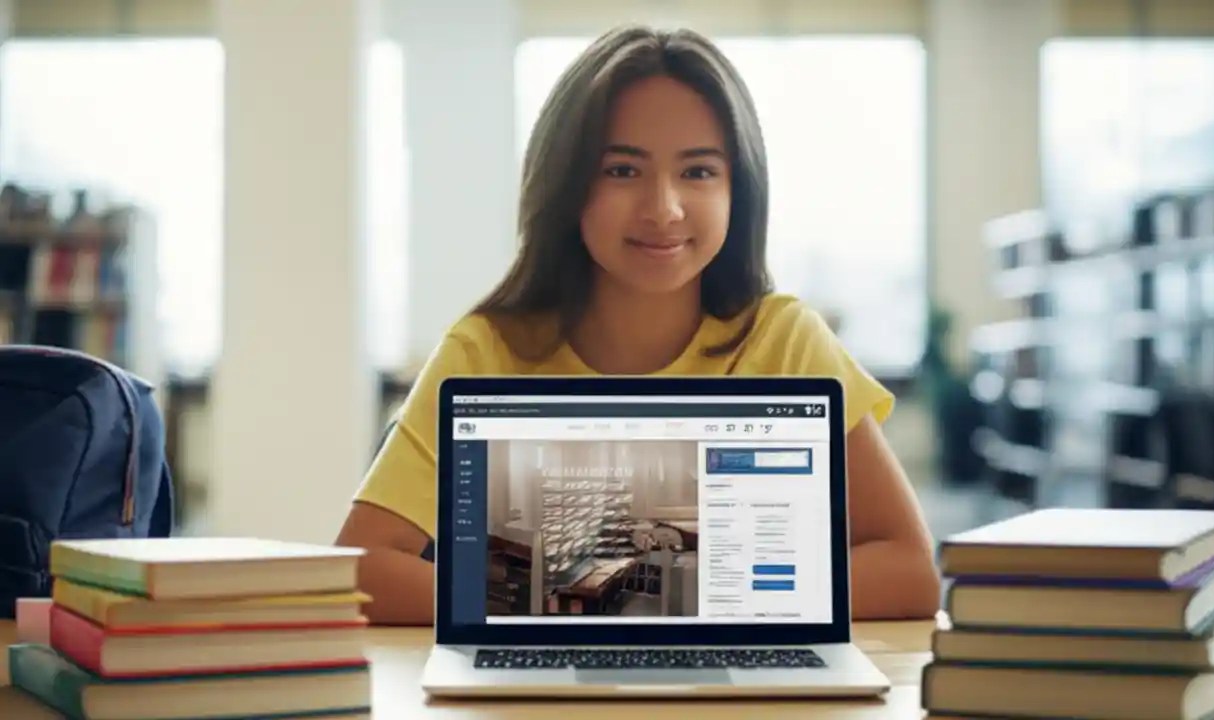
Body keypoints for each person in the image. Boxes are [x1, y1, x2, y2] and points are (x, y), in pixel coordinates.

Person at [336, 24, 941, 625]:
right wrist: (582, 605)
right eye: (623, 171)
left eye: (699, 172)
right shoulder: (487, 350)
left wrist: (658, 601)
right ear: (568, 186)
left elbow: (909, 571)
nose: (664, 209)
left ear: (741, 190)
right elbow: (361, 567)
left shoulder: (784, 340)